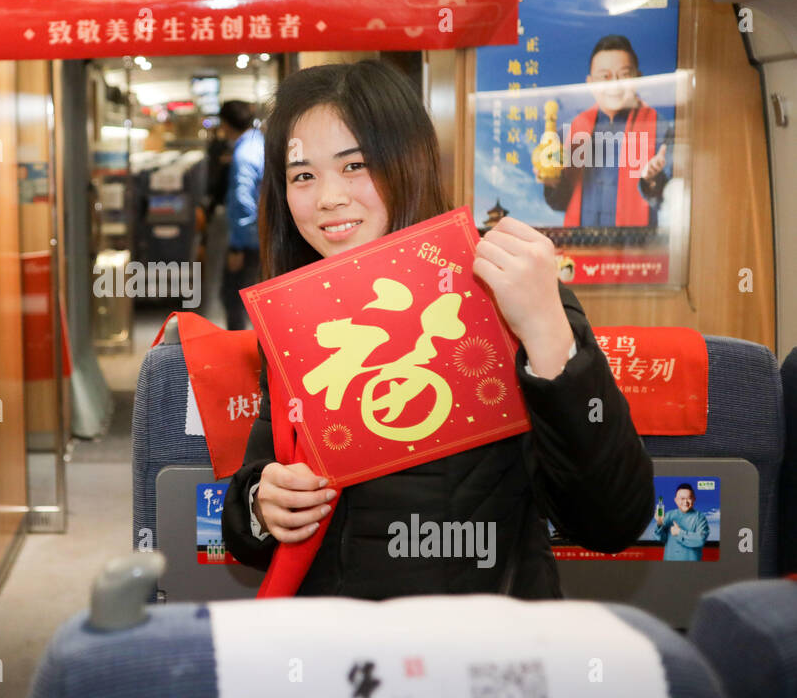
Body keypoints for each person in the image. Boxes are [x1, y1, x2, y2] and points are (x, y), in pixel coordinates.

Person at [221, 60, 654, 599]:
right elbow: (247, 527)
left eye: (354, 165)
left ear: (410, 161)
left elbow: (612, 519)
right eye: (303, 175)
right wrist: (262, 506)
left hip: (475, 649)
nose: (328, 197)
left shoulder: (503, 290)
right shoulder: (294, 312)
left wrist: (546, 329)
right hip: (329, 646)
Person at [540, 34, 672, 228]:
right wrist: (552, 182)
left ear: (639, 79)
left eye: (624, 75)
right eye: (605, 76)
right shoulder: (568, 132)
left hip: (636, 250)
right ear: (590, 83)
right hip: (583, 248)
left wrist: (652, 180)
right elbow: (559, 203)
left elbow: (671, 202)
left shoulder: (660, 128)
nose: (614, 85)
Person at [217, 100, 265, 330]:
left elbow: (243, 200)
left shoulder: (244, 153)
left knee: (233, 299)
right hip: (261, 234)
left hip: (249, 240)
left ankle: (240, 356)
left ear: (226, 124)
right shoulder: (259, 142)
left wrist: (238, 247)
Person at [655, 484, 711, 561]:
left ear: (694, 499)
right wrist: (659, 523)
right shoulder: (669, 515)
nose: (685, 502)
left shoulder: (700, 518)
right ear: (676, 500)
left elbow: (700, 540)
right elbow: (661, 539)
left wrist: (679, 533)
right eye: (682, 498)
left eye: (689, 498)